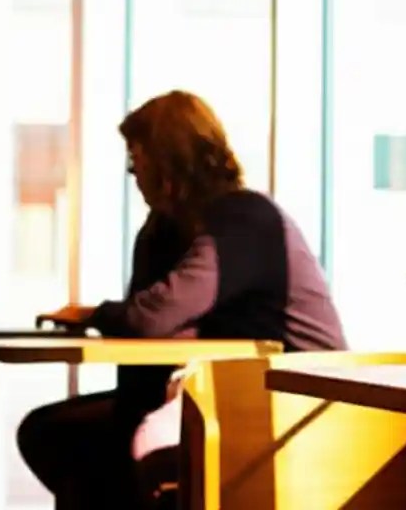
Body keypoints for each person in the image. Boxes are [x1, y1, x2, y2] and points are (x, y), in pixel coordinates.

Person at [19, 90, 347, 509]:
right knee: (57, 435)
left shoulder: (246, 219)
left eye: (138, 161)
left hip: (296, 408)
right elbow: (154, 327)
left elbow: (150, 319)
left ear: (168, 163)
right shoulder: (174, 229)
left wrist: (95, 314)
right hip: (231, 396)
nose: (133, 175)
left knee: (80, 443)